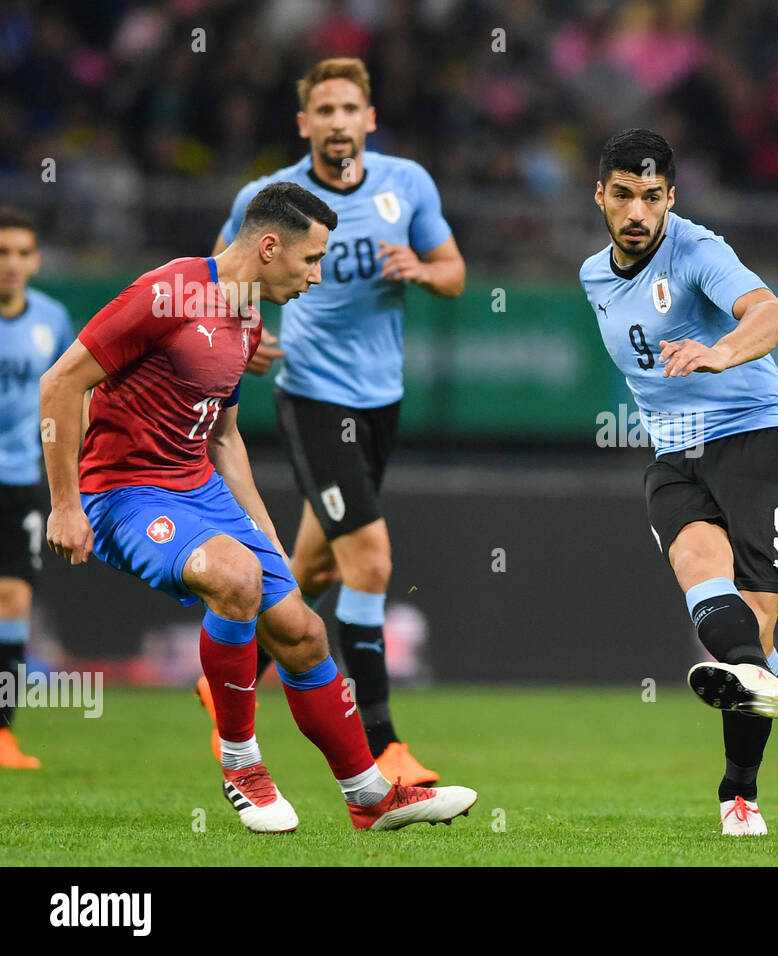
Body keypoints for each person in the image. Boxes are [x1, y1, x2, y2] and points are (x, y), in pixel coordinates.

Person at [41, 181, 476, 832]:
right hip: (125, 492)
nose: (317, 275)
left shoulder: (247, 319)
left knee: (301, 632)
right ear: (269, 247)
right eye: (311, 260)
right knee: (236, 581)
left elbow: (223, 435)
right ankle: (242, 764)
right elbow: (60, 381)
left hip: (200, 490)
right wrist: (65, 505)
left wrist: (263, 530)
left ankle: (370, 796)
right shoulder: (167, 292)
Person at [205, 57, 466, 786]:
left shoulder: (406, 184)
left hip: (382, 400)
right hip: (315, 399)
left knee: (315, 566)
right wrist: (242, 334)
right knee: (371, 561)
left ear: (369, 118)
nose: (339, 122)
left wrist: (419, 267)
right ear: (304, 124)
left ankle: (233, 672)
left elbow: (456, 273)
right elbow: (220, 277)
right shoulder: (268, 198)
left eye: (350, 108)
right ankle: (384, 746)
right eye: (325, 111)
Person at [579, 129, 778, 835]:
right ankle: (749, 675)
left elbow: (773, 314)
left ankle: (739, 787)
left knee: (759, 616)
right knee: (699, 573)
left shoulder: (699, 251)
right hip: (674, 455)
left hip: (759, 439)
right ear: (601, 195)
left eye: (652, 196)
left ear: (671, 198)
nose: (637, 212)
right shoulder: (593, 276)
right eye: (623, 195)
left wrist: (719, 353)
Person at [0, 207, 76, 770]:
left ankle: (1, 734)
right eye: (2, 253)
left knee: (12, 600)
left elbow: (71, 395)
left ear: (36, 260)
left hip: (23, 478)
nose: (11, 264)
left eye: (21, 253)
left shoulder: (52, 318)